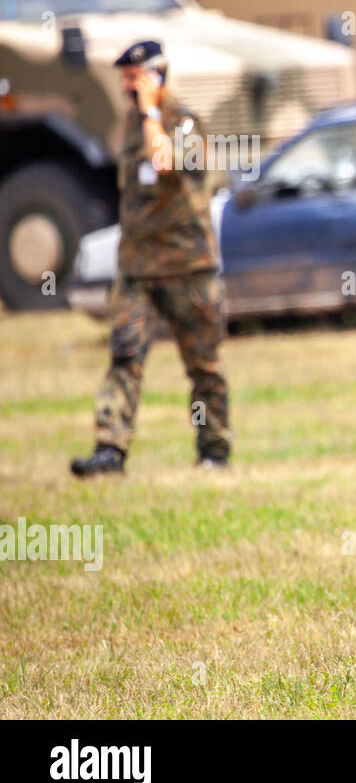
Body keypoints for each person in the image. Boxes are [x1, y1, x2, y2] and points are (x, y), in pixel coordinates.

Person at [71, 39, 231, 476]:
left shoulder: (182, 124)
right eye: (124, 79)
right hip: (138, 270)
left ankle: (213, 448)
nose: (128, 87)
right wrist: (142, 114)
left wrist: (150, 113)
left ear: (159, 75)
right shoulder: (132, 124)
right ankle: (110, 449)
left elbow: (163, 164)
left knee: (204, 366)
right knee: (124, 357)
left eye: (135, 78)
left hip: (187, 268)